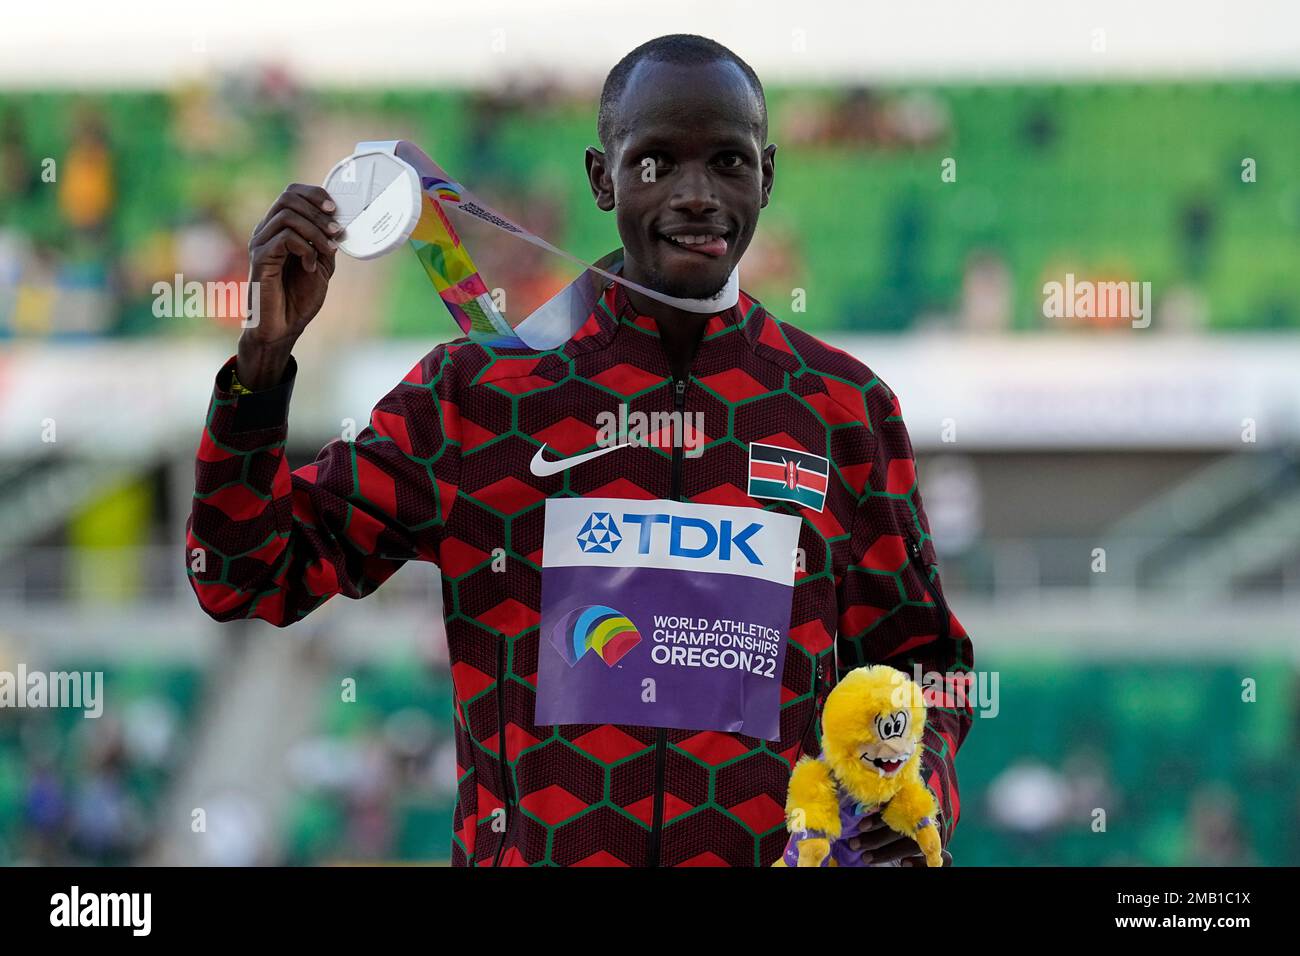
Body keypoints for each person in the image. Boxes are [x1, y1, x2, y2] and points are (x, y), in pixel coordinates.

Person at [186, 34, 973, 867]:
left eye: (729, 162)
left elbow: (926, 661)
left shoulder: (838, 408)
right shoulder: (477, 396)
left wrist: (912, 785)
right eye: (656, 162)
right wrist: (261, 370)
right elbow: (245, 573)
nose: (697, 194)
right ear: (602, 178)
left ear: (768, 175)